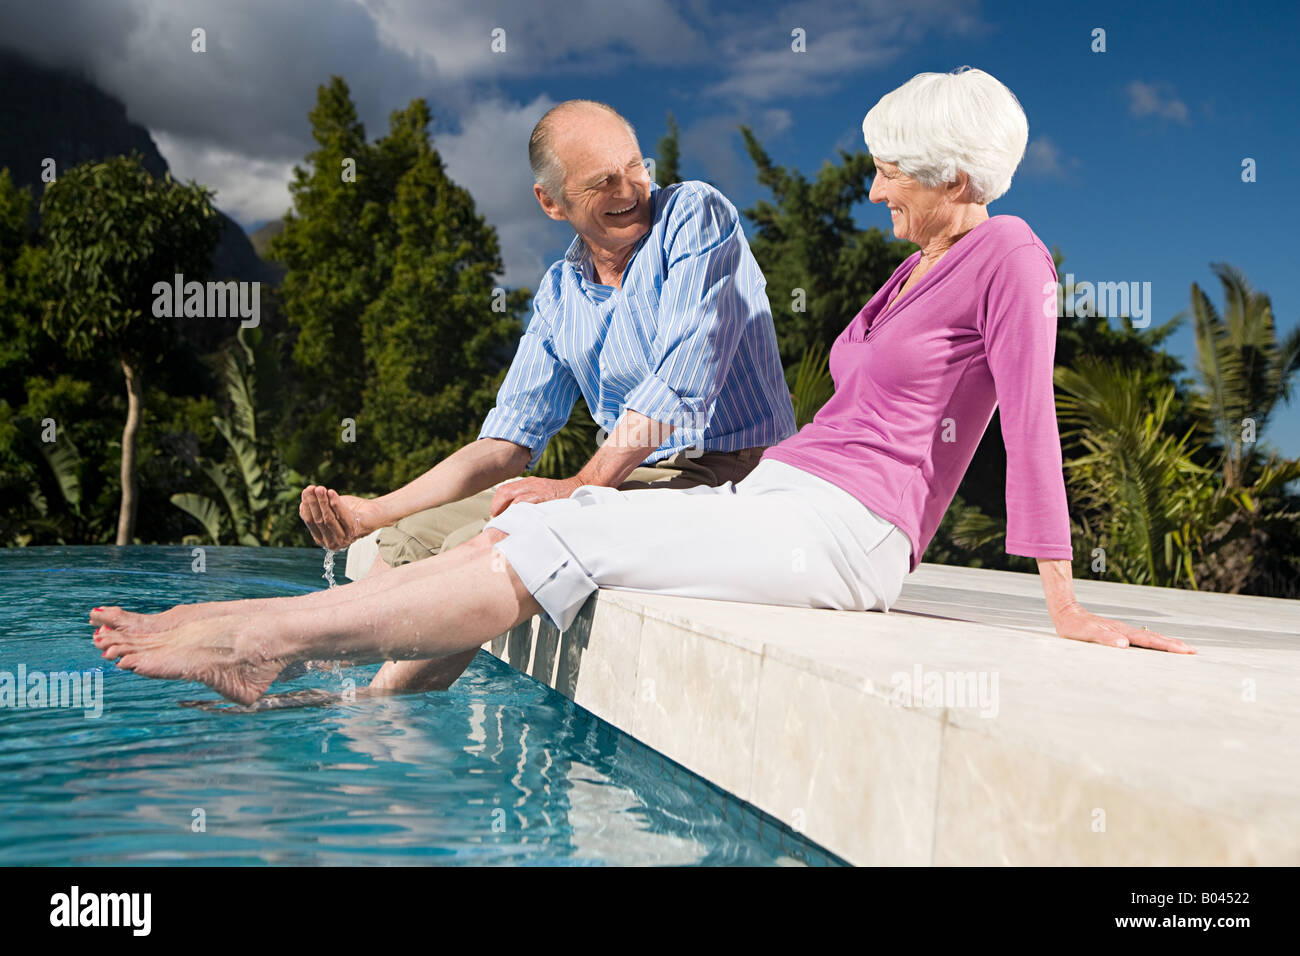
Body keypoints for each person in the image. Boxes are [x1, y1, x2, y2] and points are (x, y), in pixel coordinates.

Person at [89, 67, 1194, 707]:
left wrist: (1063, 598)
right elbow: (517, 434)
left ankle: (258, 638)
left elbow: (1031, 417)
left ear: (953, 175)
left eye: (889, 170)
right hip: (779, 499)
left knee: (559, 539)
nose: (870, 188)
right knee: (495, 536)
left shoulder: (1008, 257)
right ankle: (265, 643)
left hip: (849, 534)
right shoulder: (917, 268)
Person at [298, 98, 795, 693]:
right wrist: (372, 512)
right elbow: (506, 444)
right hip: (634, 475)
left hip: (723, 474)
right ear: (551, 201)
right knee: (413, 534)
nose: (630, 189)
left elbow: (680, 386)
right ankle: (330, 671)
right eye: (601, 182)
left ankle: (377, 713)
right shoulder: (561, 293)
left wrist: (578, 487)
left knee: (486, 542)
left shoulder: (696, 216)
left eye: (635, 166)